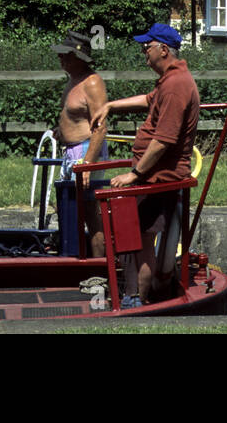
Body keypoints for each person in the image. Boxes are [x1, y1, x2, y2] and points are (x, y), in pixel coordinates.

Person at [92, 22, 200, 308]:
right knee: (136, 237)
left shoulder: (176, 85)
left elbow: (164, 140)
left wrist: (135, 174)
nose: (143, 51)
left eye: (147, 46)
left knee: (141, 241)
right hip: (151, 176)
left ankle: (136, 299)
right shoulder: (170, 81)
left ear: (163, 50)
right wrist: (111, 105)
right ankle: (133, 295)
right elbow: (149, 100)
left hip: (157, 178)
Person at [51, 31, 108, 256]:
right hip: (72, 150)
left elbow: (100, 126)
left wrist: (88, 162)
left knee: (91, 212)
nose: (60, 59)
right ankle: (75, 257)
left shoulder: (92, 82)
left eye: (65, 54)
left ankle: (99, 269)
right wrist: (61, 131)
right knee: (70, 207)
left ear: (78, 57)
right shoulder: (73, 81)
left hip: (86, 150)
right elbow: (76, 117)